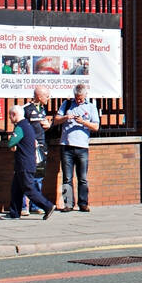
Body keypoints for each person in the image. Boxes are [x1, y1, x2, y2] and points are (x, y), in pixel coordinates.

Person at [50, 82, 99, 212]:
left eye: (81, 98)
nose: (78, 100)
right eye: (77, 98)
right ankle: (68, 204)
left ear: (85, 95)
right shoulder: (67, 104)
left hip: (82, 146)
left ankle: (83, 203)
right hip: (66, 146)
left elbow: (96, 126)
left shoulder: (91, 107)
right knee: (67, 177)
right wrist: (66, 117)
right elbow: (56, 120)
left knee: (82, 177)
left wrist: (83, 122)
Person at [5, 104, 54, 221]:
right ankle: (14, 212)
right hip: (26, 163)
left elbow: (11, 143)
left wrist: (11, 141)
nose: (9, 119)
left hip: (24, 163)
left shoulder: (20, 127)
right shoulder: (28, 125)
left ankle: (47, 206)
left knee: (28, 188)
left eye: (10, 116)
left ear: (14, 115)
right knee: (16, 189)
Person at [22, 85, 51, 214]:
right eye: (47, 96)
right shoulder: (26, 109)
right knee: (26, 176)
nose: (49, 98)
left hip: (40, 146)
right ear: (39, 96)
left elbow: (42, 126)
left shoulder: (43, 109)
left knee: (38, 177)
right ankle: (23, 206)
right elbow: (20, 126)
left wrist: (47, 126)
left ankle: (35, 205)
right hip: (29, 148)